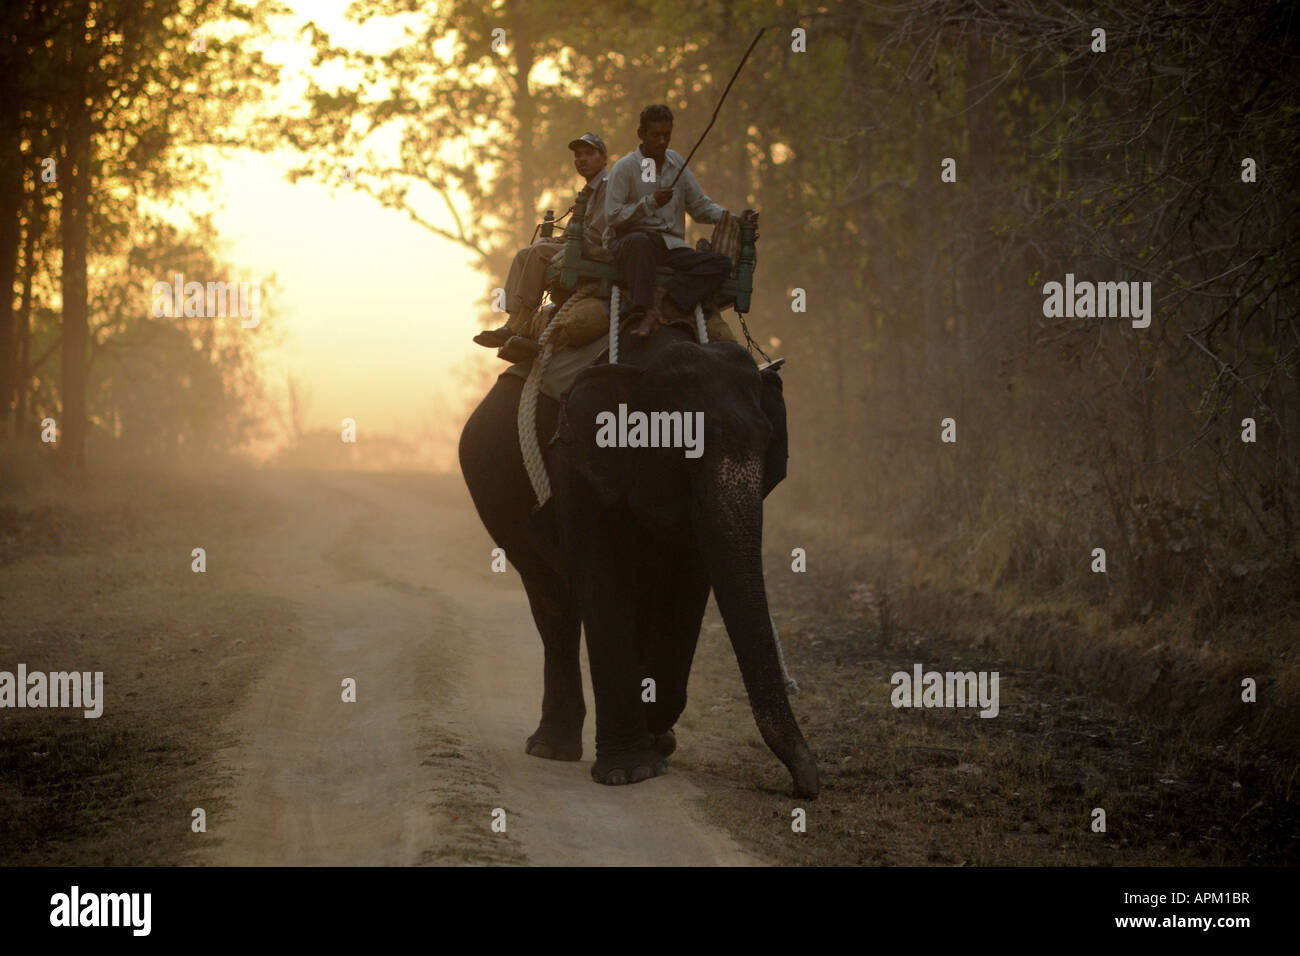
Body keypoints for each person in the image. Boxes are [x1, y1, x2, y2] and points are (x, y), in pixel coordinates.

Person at [604, 104, 755, 337]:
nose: (662, 141)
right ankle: (644, 310)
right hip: (632, 243)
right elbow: (613, 217)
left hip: (669, 246)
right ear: (641, 134)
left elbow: (700, 206)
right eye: (656, 135)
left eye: (667, 135)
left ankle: (665, 293)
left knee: (721, 264)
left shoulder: (676, 163)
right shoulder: (625, 167)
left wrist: (734, 219)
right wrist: (650, 202)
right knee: (640, 243)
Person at [474, 132, 611, 350]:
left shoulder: (608, 186)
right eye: (578, 155)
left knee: (538, 252)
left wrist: (557, 243)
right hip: (579, 243)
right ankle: (512, 320)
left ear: (603, 158)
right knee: (524, 253)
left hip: (595, 250)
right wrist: (554, 241)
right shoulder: (588, 190)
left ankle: (522, 322)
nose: (582, 159)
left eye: (589, 153)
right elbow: (572, 234)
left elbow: (596, 233)